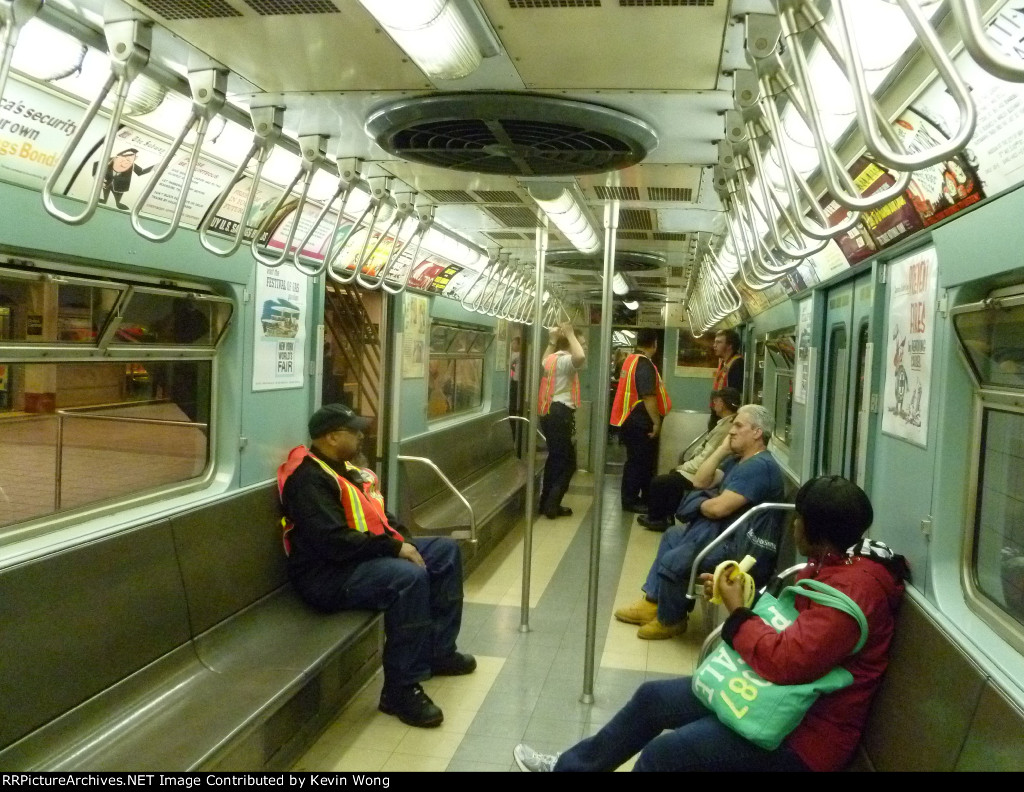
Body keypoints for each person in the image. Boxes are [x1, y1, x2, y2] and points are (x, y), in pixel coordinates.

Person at [514, 475, 909, 772]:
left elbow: (789, 661)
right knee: (653, 699)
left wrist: (739, 614)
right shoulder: (831, 564)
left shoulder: (852, 596)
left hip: (804, 735)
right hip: (775, 697)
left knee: (665, 755)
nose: (794, 526)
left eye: (800, 519)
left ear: (816, 531)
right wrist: (740, 596)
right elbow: (797, 630)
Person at [277, 403, 476, 729]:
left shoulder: (347, 470)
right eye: (353, 431)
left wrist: (406, 541)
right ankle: (399, 690)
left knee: (444, 551)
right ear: (331, 436)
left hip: (362, 557)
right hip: (328, 575)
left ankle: (439, 651)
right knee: (407, 578)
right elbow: (333, 542)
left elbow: (381, 517)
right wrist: (395, 548)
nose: (360, 436)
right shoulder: (309, 481)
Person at [614, 404, 784, 639]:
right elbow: (700, 482)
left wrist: (697, 504)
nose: (731, 430)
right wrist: (723, 449)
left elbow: (718, 508)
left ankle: (671, 620)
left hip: (739, 546)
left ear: (757, 432)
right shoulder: (738, 461)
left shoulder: (759, 467)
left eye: (738, 425)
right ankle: (653, 600)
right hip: (720, 533)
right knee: (673, 535)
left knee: (676, 559)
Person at [637, 387, 741, 532]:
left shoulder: (725, 428)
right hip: (703, 466)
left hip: (708, 471)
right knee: (673, 475)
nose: (714, 404)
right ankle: (663, 516)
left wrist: (685, 467)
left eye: (716, 401)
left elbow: (706, 456)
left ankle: (659, 518)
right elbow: (702, 450)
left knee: (661, 481)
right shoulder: (723, 423)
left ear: (722, 404)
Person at [610, 328, 672, 512]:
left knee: (635, 461)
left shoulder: (630, 360)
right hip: (640, 421)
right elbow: (648, 396)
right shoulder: (644, 364)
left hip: (629, 419)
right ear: (654, 344)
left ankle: (640, 497)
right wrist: (656, 421)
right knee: (639, 463)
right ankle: (630, 500)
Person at [537, 322, 586, 519]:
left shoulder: (551, 359)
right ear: (570, 344)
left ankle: (545, 502)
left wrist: (553, 340)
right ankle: (551, 505)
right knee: (567, 463)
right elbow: (580, 356)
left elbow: (543, 360)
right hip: (559, 413)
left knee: (555, 459)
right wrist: (571, 334)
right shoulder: (566, 361)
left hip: (549, 412)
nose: (583, 346)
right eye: (581, 342)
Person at [709, 329, 743, 431]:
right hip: (718, 413)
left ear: (729, 346)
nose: (714, 345)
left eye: (719, 342)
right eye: (715, 342)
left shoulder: (737, 364)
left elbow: (734, 395)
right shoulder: (724, 362)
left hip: (726, 418)